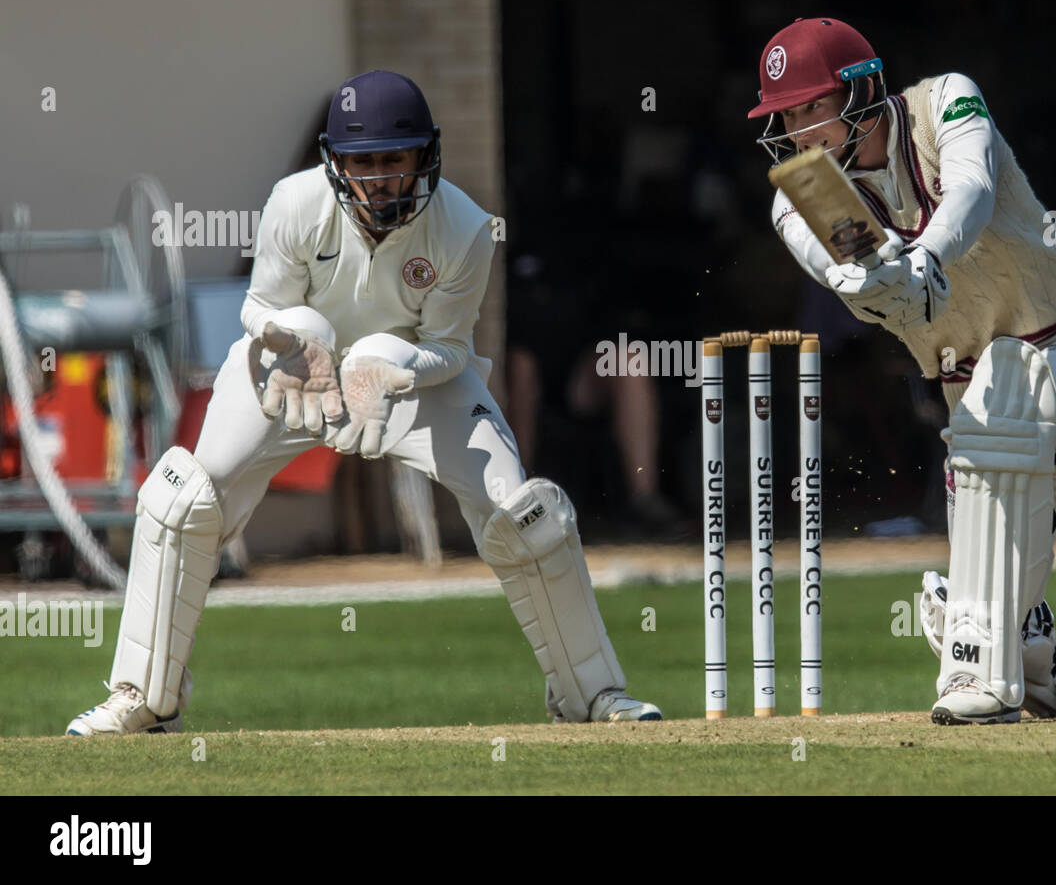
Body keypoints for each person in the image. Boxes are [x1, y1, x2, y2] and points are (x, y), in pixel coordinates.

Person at [66, 70, 661, 734]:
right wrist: (299, 342)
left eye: (393, 158)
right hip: (294, 373)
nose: (378, 177)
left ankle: (591, 698)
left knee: (528, 515)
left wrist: (390, 362)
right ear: (335, 162)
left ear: (424, 157)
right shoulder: (294, 203)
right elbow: (259, 307)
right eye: (362, 161)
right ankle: (145, 700)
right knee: (180, 501)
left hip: (412, 382)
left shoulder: (463, 227)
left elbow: (452, 349)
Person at [749, 18, 1056, 724]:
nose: (798, 127)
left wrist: (927, 258)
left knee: (1006, 393)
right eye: (785, 112)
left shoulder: (945, 104)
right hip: (982, 423)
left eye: (812, 106)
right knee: (997, 474)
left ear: (861, 89)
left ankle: (977, 672)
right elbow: (848, 278)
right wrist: (874, 285)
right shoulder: (797, 198)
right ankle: (1040, 662)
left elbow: (971, 192)